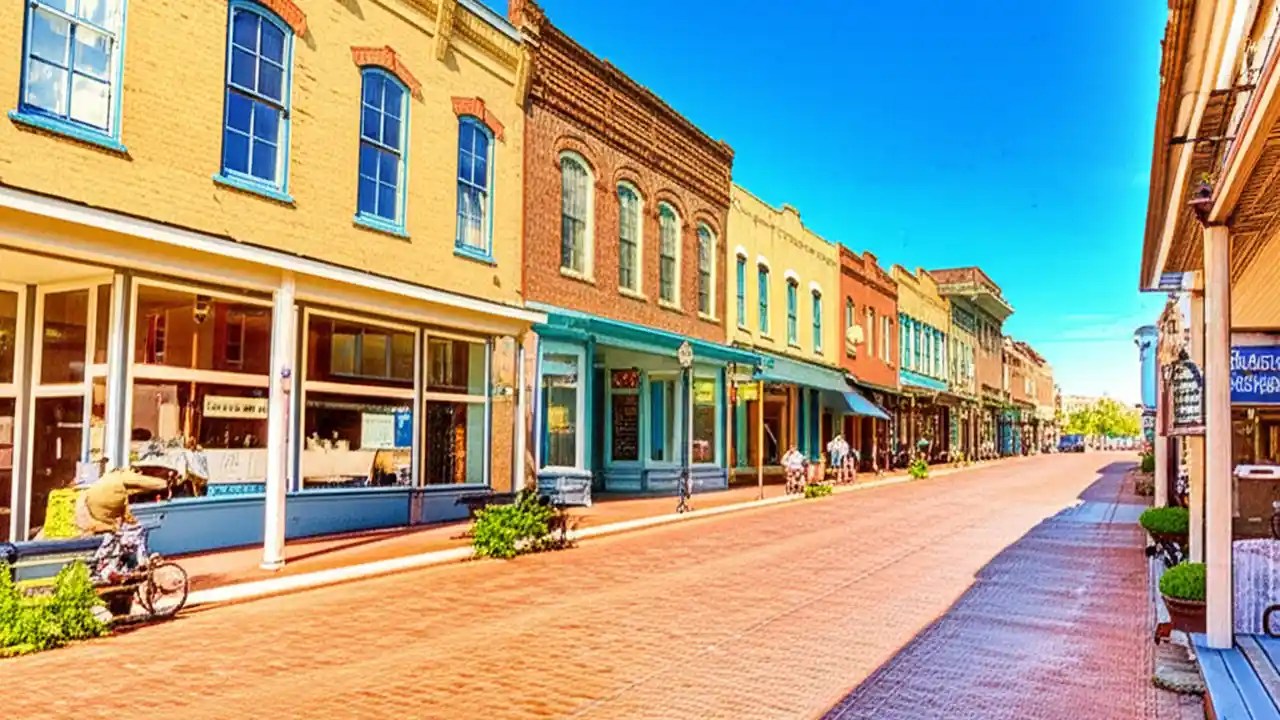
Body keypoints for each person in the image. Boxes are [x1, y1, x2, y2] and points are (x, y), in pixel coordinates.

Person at [75, 467, 170, 537]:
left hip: (90, 502)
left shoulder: (108, 478)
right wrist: (164, 483)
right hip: (104, 503)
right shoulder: (124, 476)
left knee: (103, 529)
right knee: (115, 529)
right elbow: (143, 482)